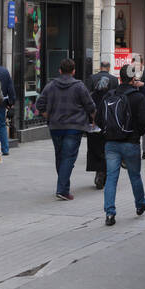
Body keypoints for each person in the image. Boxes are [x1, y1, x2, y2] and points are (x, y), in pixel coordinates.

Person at [36, 57, 96, 200]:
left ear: (60, 70)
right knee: (68, 158)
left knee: (60, 156)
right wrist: (94, 120)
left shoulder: (50, 86)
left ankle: (63, 187)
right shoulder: (79, 86)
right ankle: (62, 189)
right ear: (73, 71)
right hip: (74, 127)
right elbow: (90, 106)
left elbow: (40, 104)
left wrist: (48, 116)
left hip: (55, 126)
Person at [99, 62, 145, 226]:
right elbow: (143, 121)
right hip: (130, 143)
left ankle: (109, 213)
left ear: (120, 78)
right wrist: (137, 135)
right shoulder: (138, 97)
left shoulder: (110, 95)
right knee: (134, 175)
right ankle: (140, 203)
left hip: (111, 143)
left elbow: (99, 118)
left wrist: (108, 132)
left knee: (111, 178)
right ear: (133, 79)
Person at [85, 59, 119, 189]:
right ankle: (104, 172)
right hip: (108, 118)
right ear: (109, 68)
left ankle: (98, 171)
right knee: (108, 146)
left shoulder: (91, 78)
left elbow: (86, 97)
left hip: (94, 118)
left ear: (100, 67)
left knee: (94, 145)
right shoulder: (114, 80)